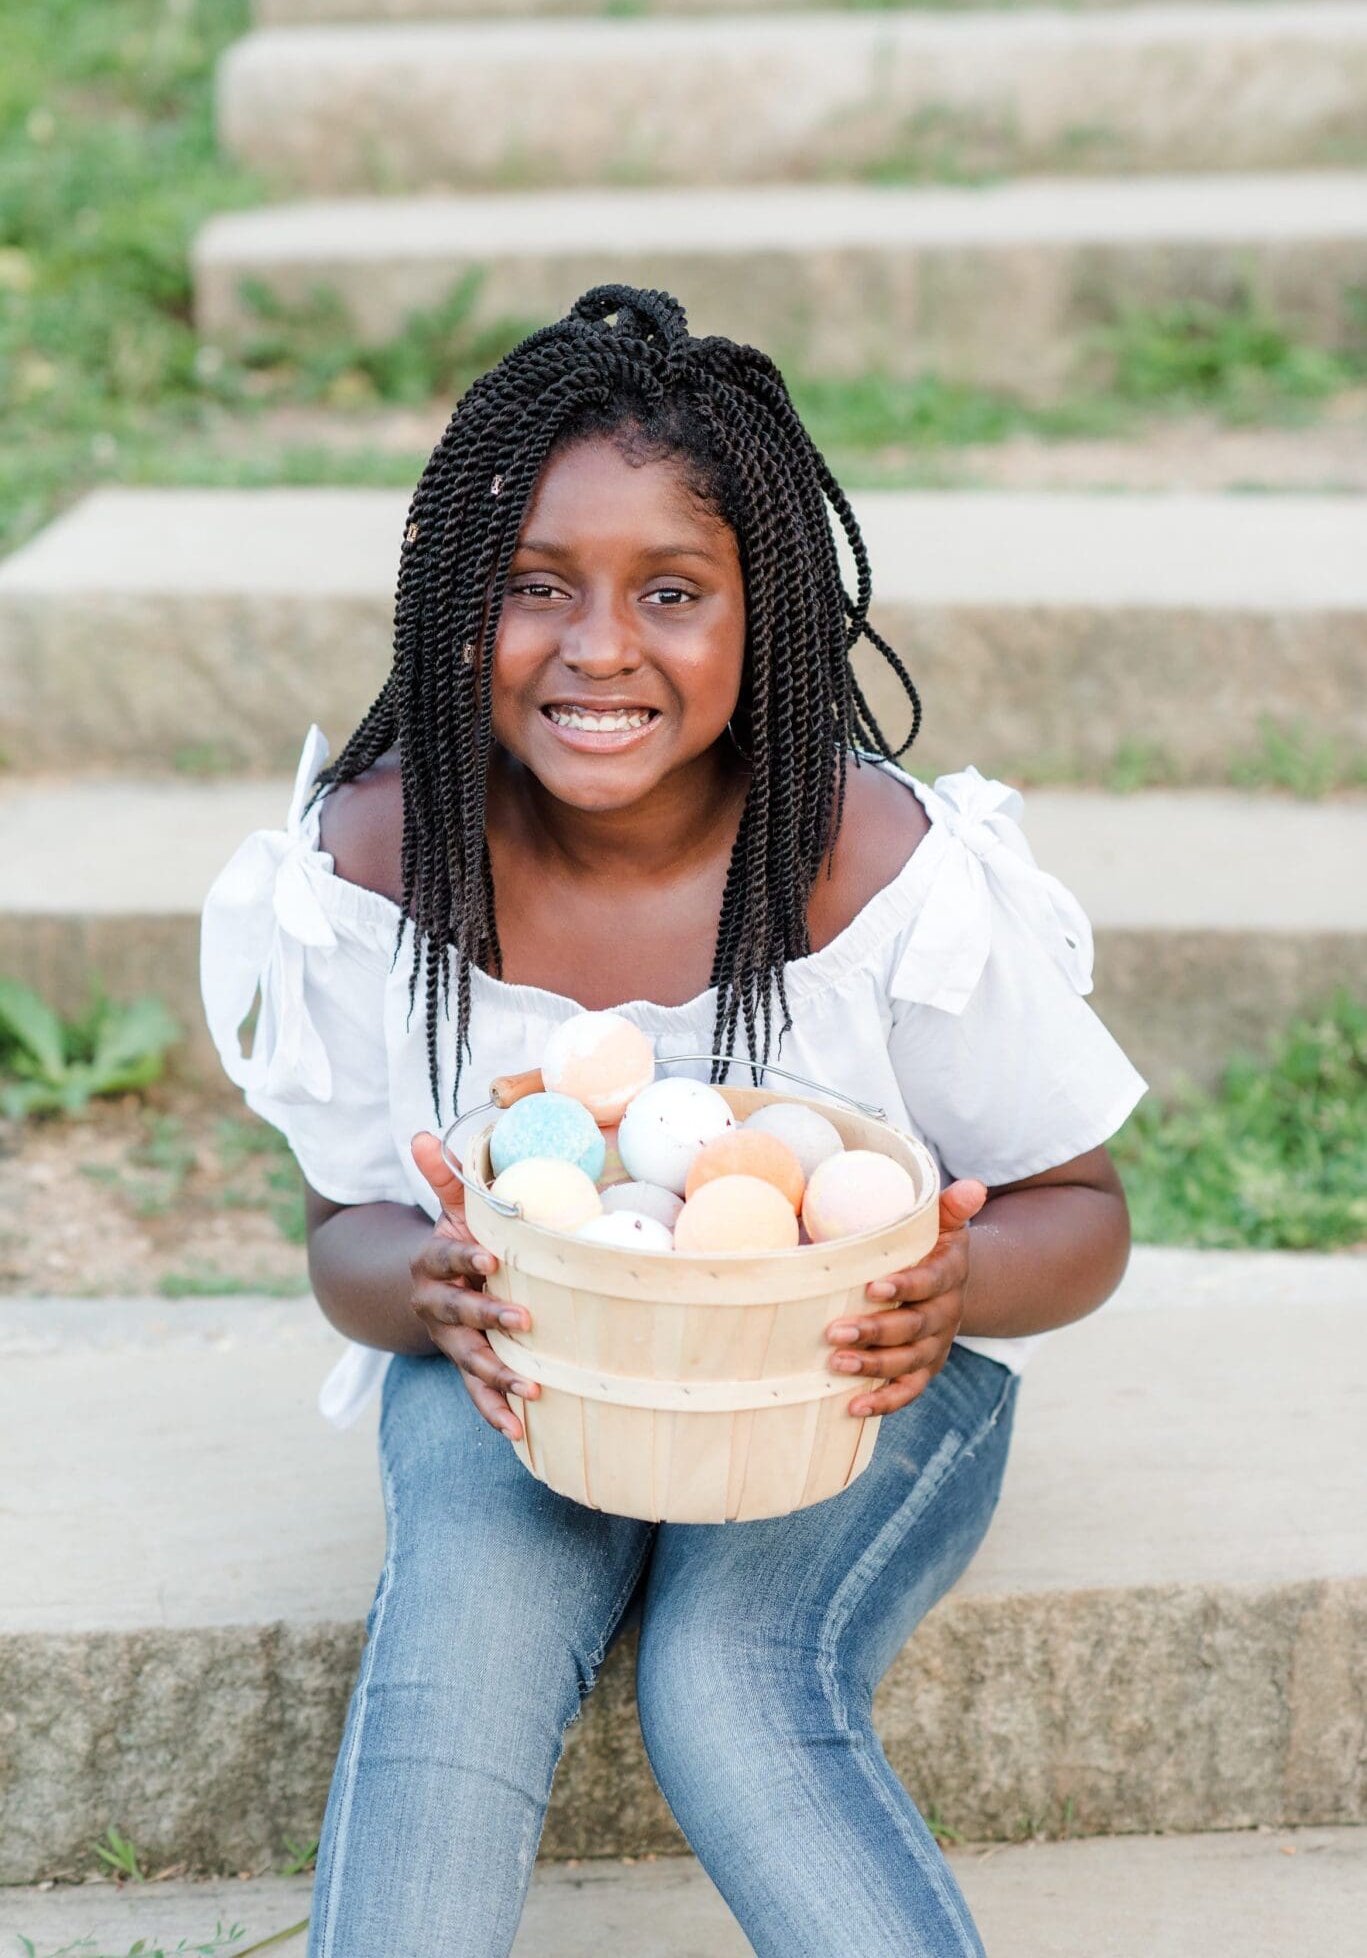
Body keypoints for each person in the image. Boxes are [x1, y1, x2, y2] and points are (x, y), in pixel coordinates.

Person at [200, 284, 1147, 1957]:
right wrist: (424, 1289)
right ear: (446, 609)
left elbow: (1080, 1211)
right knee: (453, 1653)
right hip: (522, 1376)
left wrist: (952, 1291)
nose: (599, 647)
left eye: (674, 593)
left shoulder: (868, 868)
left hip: (848, 1376)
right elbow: (345, 1234)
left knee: (729, 1683)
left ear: (764, 616)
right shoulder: (374, 861)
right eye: (532, 588)